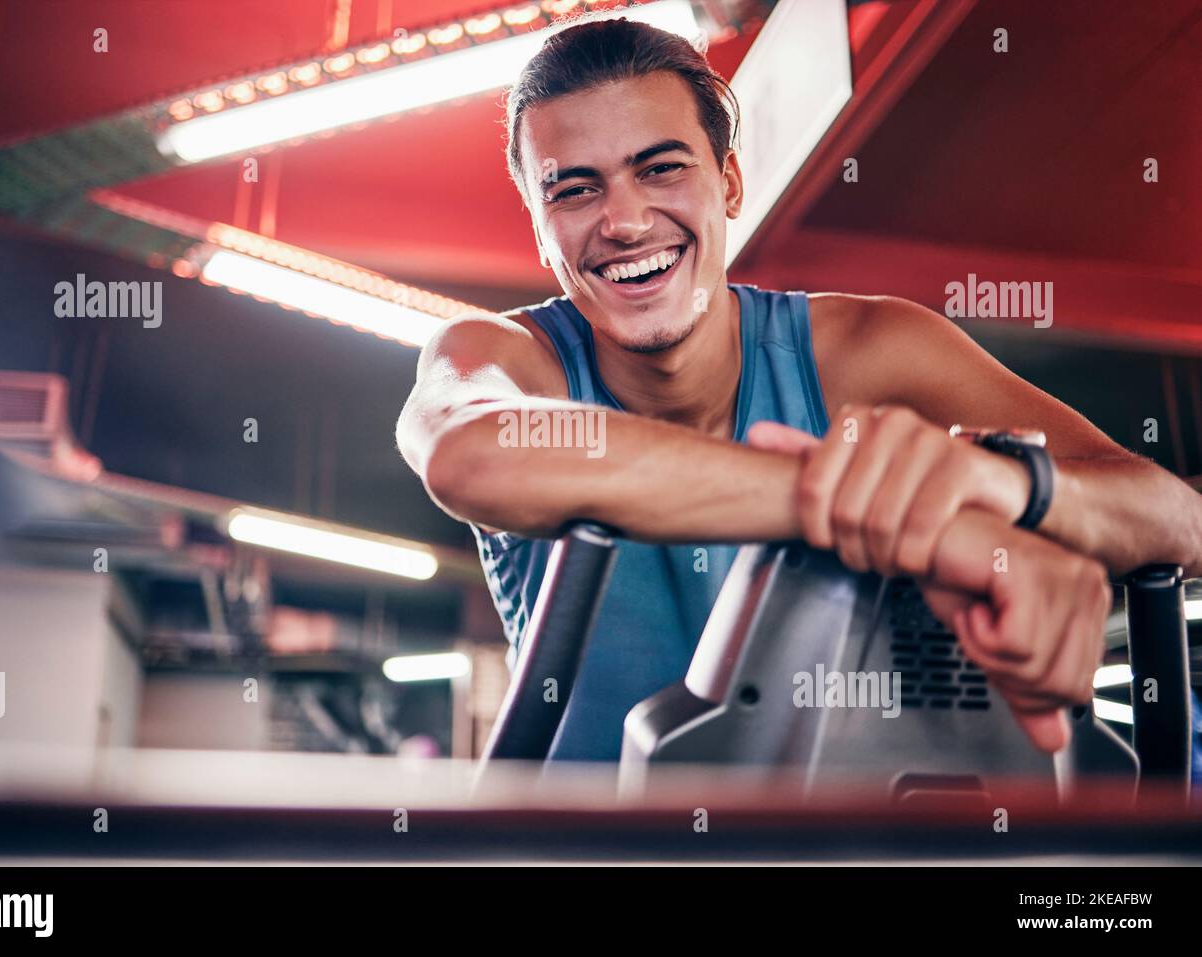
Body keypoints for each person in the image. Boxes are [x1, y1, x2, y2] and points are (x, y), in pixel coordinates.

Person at [396, 18, 1202, 762]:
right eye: (574, 189)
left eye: (662, 168)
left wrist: (1005, 486)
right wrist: (913, 518)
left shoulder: (866, 351)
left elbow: (1173, 515)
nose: (627, 220)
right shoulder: (506, 356)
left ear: (730, 183)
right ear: (540, 229)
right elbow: (471, 454)